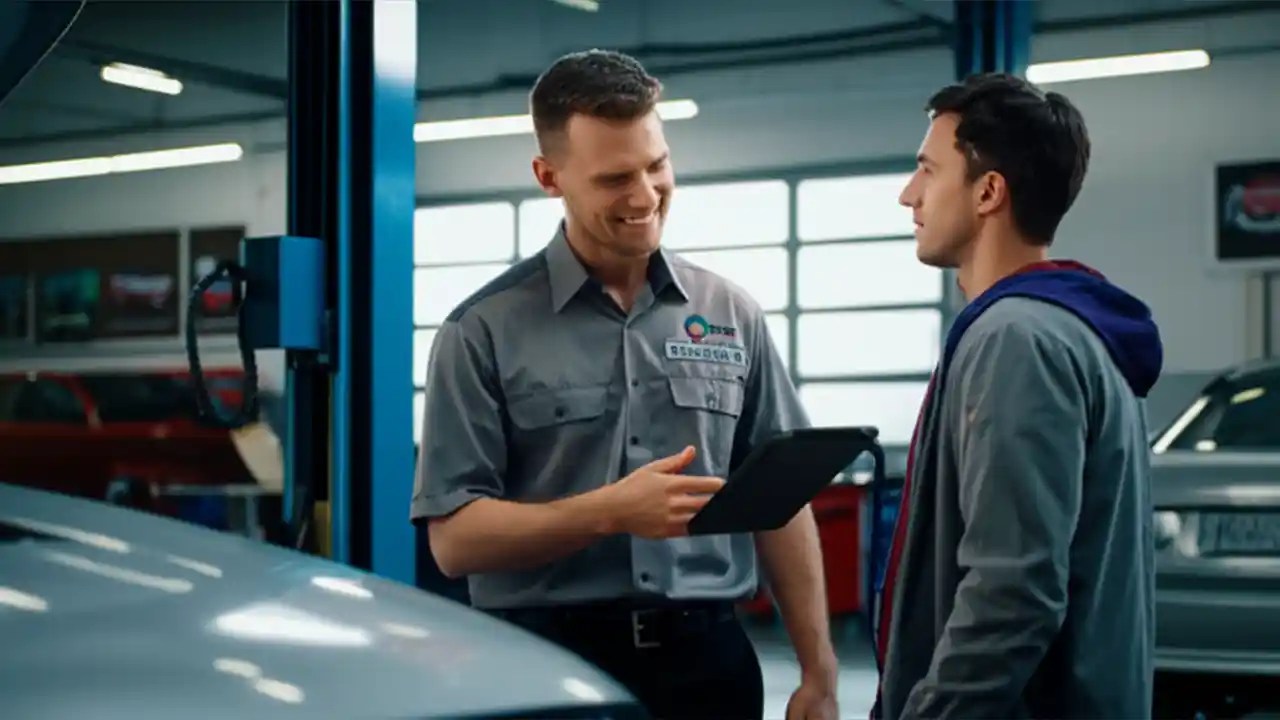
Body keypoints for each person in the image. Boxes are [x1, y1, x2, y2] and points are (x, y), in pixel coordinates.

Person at [411, 49, 839, 720]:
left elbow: (782, 500)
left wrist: (818, 669)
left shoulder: (732, 314)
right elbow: (455, 541)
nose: (644, 196)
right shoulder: (481, 331)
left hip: (710, 666)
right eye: (614, 178)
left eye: (657, 165)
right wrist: (608, 512)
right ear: (548, 177)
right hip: (547, 669)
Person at [873, 73, 1163, 719]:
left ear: (988, 191)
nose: (907, 194)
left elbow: (1013, 592)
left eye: (927, 170)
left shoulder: (1016, 340)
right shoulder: (1075, 330)